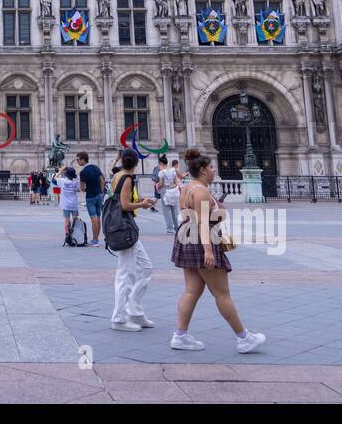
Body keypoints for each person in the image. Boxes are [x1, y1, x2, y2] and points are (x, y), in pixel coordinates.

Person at [170, 148, 266, 353]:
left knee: (192, 290)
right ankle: (244, 338)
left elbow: (189, 215)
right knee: (222, 293)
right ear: (203, 170)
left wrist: (217, 210)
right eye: (212, 167)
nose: (214, 170)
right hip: (201, 240)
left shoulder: (187, 188)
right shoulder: (202, 192)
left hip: (185, 238)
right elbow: (203, 224)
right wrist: (208, 251)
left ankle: (180, 336)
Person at [110, 149, 156, 331]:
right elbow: (124, 205)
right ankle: (119, 319)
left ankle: (135, 311)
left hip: (127, 229)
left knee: (145, 268)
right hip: (124, 229)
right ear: (137, 162)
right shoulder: (127, 178)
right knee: (125, 274)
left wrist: (141, 200)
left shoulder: (118, 175)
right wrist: (142, 204)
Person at [76, 152, 104, 247]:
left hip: (90, 196)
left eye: (78, 159)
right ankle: (97, 238)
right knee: (98, 216)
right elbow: (102, 181)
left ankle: (95, 240)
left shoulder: (83, 172)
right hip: (99, 195)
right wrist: (101, 191)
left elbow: (82, 188)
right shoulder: (96, 167)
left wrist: (86, 189)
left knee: (93, 217)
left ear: (83, 160)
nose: (77, 161)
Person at [56, 166, 81, 245]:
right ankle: (74, 235)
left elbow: (55, 177)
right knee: (75, 220)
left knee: (66, 219)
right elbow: (78, 189)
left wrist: (61, 170)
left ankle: (67, 235)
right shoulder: (76, 182)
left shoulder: (62, 181)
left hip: (65, 204)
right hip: (74, 204)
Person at [160, 157, 181, 234]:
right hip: (173, 191)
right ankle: (177, 227)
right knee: (174, 210)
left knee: (167, 211)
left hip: (165, 190)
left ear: (161, 163)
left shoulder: (161, 172)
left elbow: (161, 184)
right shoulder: (173, 171)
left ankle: (170, 229)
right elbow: (176, 182)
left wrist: (158, 186)